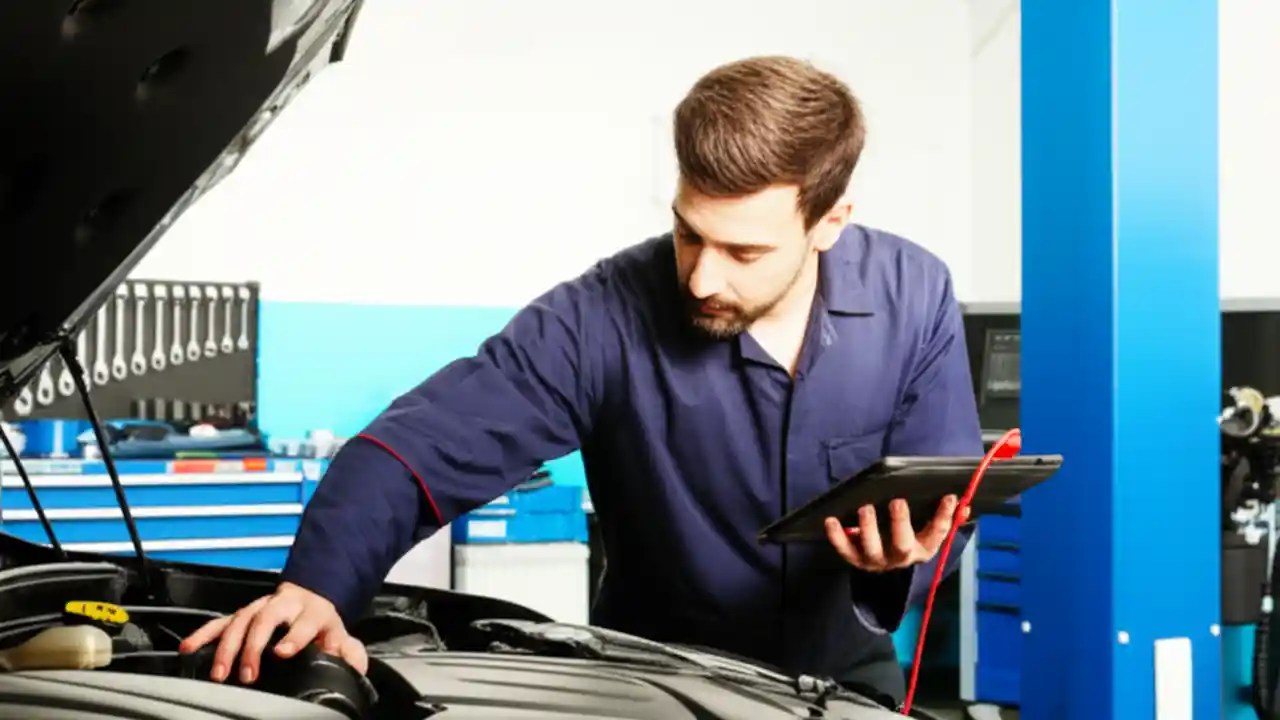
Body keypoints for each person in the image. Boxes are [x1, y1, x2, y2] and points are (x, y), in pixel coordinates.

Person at [180, 54, 982, 705]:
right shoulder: (603, 315)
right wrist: (318, 586)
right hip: (657, 687)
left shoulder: (915, 295)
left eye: (744, 253)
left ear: (829, 223)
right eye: (688, 232)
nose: (701, 278)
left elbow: (943, 489)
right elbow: (418, 446)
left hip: (838, 681)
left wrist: (905, 555)